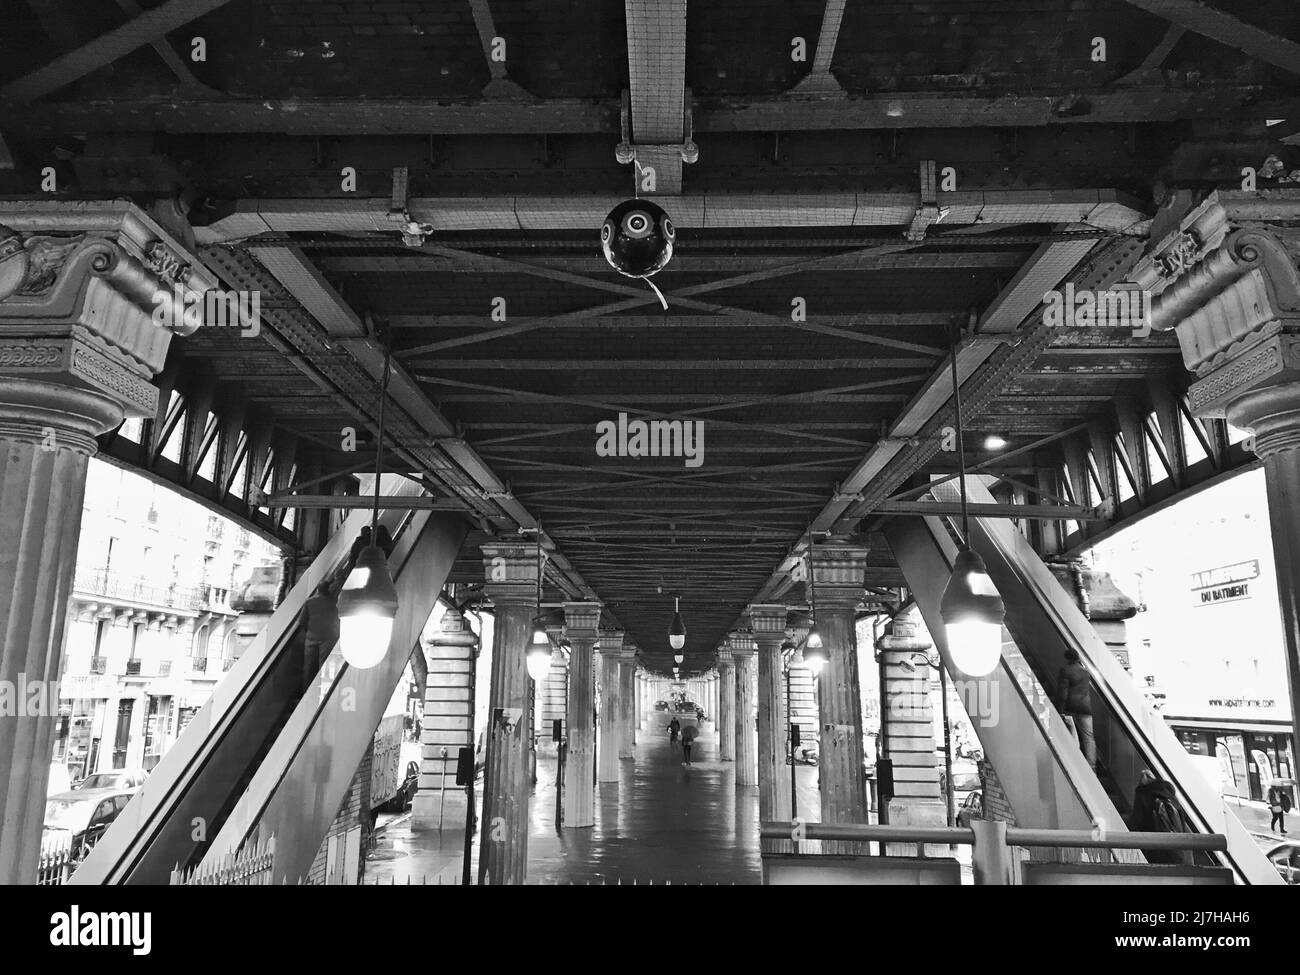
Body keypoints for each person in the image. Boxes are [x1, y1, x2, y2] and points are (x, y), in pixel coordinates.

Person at [1126, 770, 1193, 865]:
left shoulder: (1142, 793)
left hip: (1155, 852)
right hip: (1177, 851)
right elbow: (1182, 824)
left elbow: (1135, 823)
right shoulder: (1170, 796)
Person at [1054, 649, 1096, 766]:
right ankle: (1092, 767)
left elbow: (1063, 693)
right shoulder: (1085, 672)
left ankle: (1076, 764)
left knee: (1072, 737)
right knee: (1089, 738)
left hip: (1070, 709)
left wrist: (1060, 710)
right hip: (1086, 709)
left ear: (1067, 659)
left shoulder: (1066, 671)